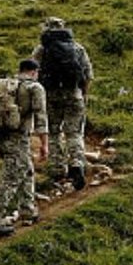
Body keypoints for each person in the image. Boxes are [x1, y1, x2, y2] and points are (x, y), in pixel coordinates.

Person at [0, 60, 48, 236]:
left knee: (27, 170)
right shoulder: (34, 88)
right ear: (35, 72)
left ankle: (28, 211)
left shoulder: (4, 86)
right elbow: (41, 118)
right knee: (11, 179)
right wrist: (44, 145)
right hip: (18, 139)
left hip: (1, 137)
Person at [32, 16, 94, 190]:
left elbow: (33, 75)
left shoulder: (41, 50)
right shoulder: (77, 48)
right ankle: (77, 165)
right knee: (74, 133)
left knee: (53, 131)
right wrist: (83, 94)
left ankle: (58, 168)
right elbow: (87, 75)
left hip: (50, 96)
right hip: (74, 94)